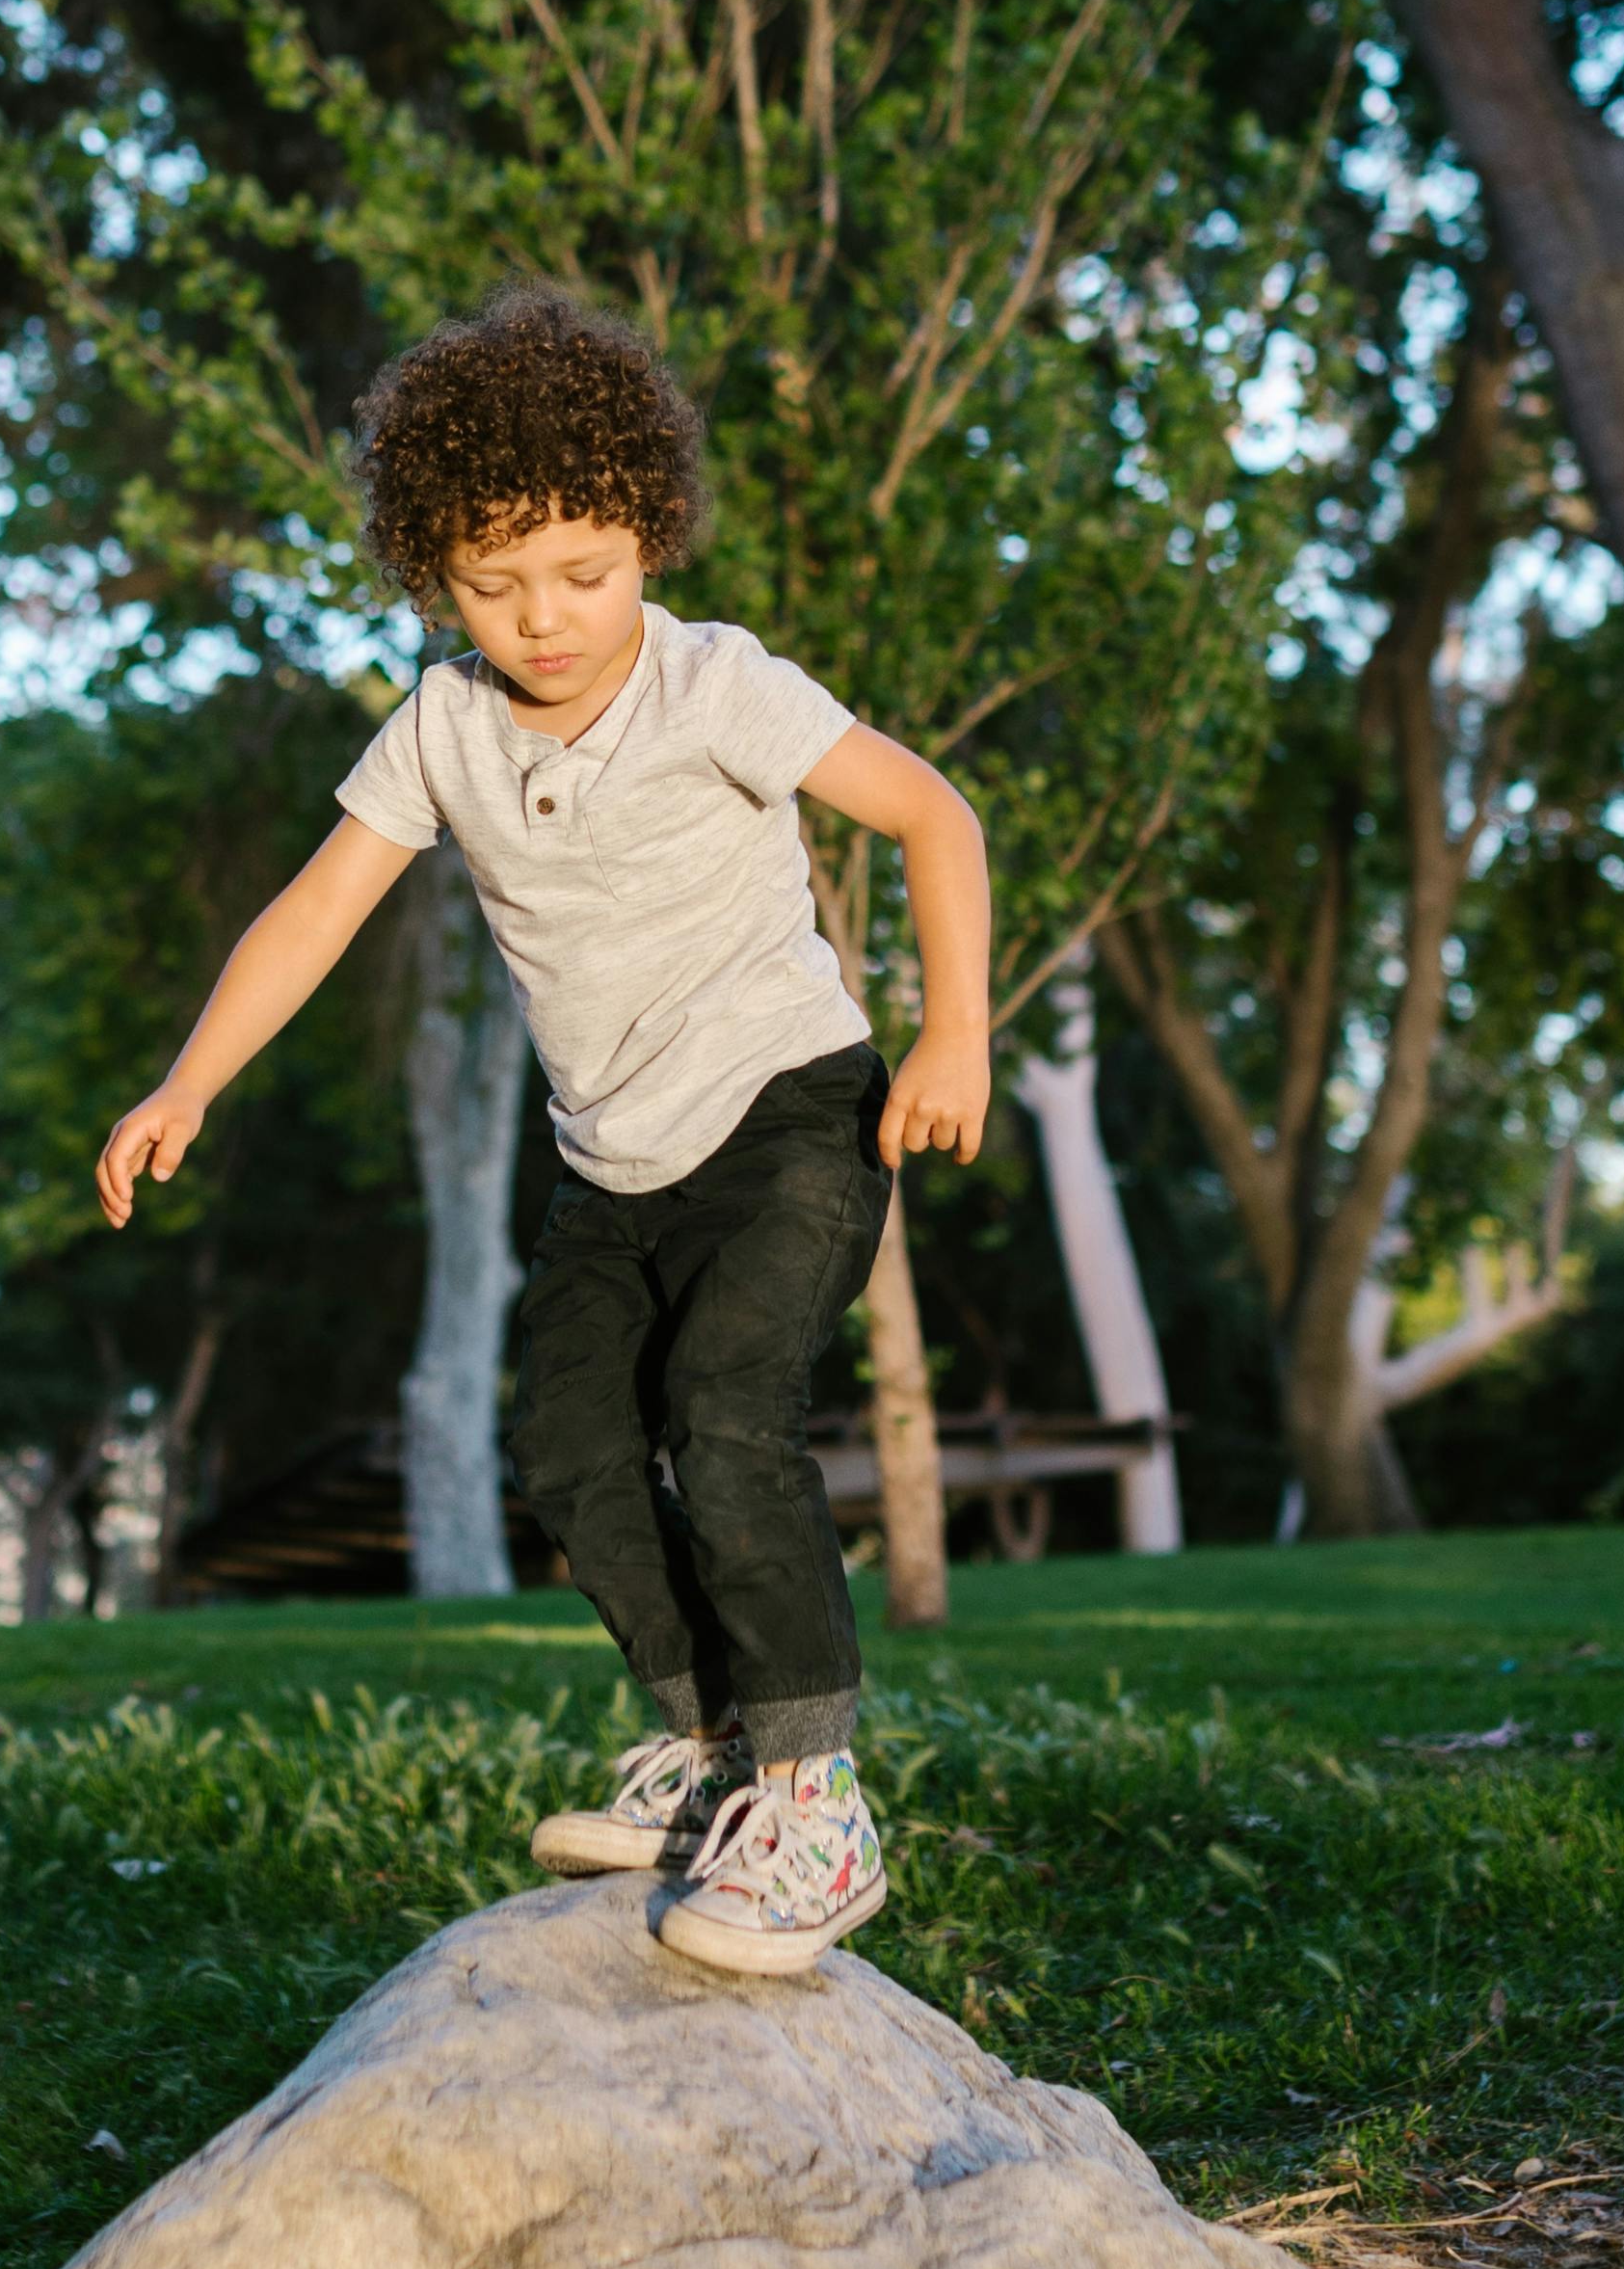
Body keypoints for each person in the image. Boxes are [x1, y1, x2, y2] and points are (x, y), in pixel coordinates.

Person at [98, 286, 990, 1978]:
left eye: (582, 574)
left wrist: (958, 1031)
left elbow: (932, 811)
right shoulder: (441, 727)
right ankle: (710, 1759)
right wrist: (187, 1081)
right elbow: (315, 908)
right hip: (611, 1164)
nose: (546, 622)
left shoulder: (718, 685)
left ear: (645, 533)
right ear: (434, 577)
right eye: (494, 589)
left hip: (793, 1108)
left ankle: (814, 1803)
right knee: (572, 1449)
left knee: (725, 1415)